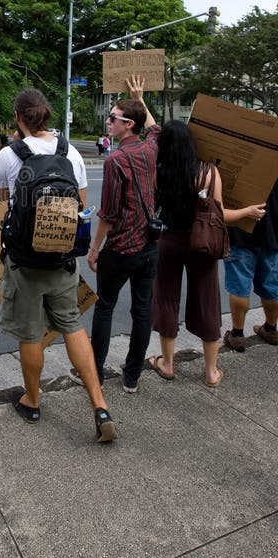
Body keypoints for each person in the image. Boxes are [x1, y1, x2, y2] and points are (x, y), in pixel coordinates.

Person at [0, 87, 117, 443]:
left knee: (31, 333)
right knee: (72, 326)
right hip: (63, 260)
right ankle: (100, 406)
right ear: (47, 115)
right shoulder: (71, 152)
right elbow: (80, 204)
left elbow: (2, 198)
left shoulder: (9, 155)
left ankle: (32, 401)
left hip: (25, 263)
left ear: (18, 117)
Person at [148, 120, 266, 386]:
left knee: (166, 299)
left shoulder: (159, 173)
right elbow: (220, 215)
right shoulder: (208, 172)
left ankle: (167, 363)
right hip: (202, 243)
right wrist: (247, 212)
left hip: (169, 241)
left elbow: (154, 208)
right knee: (207, 301)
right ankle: (211, 371)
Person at [88, 76, 160, 393]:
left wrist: (94, 249)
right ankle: (132, 377)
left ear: (128, 124)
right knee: (142, 311)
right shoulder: (151, 149)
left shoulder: (116, 160)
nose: (108, 121)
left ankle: (95, 374)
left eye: (113, 117)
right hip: (149, 246)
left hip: (121, 247)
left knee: (105, 306)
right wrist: (139, 98)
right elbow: (156, 129)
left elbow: (109, 213)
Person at [224, 178, 277, 352]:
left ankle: (237, 334)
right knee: (272, 284)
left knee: (240, 285)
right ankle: (271, 329)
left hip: (240, 229)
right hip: (272, 230)